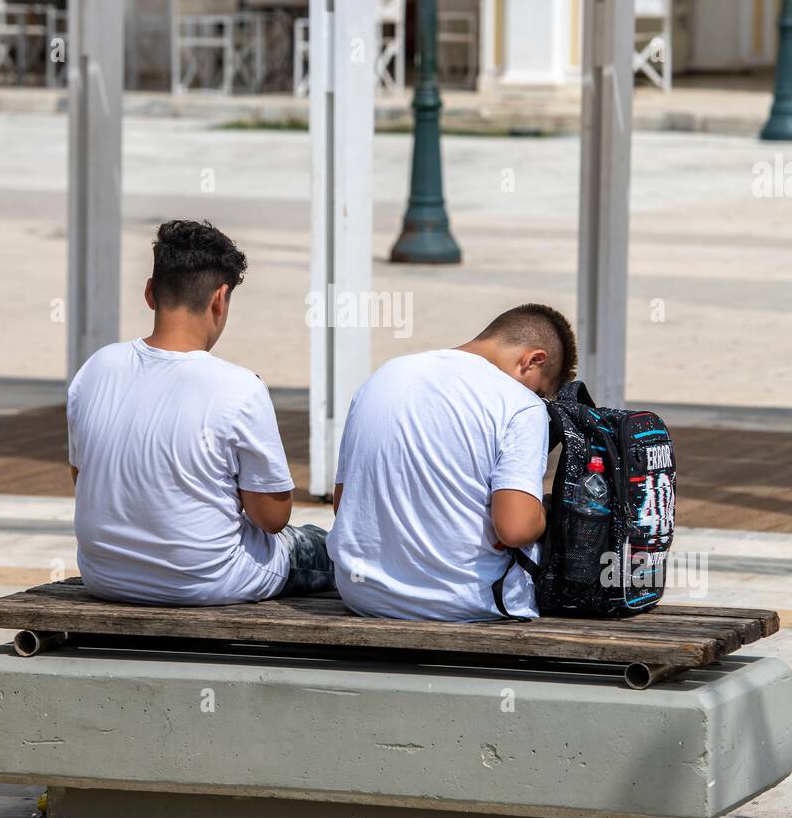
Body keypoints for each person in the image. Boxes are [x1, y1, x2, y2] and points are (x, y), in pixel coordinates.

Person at [67, 220, 333, 605]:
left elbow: (83, 479)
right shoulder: (239, 386)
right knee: (327, 547)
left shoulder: (96, 368)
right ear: (219, 299)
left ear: (149, 292)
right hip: (207, 580)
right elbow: (273, 519)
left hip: (104, 577)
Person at [327, 304, 577, 622]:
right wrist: (541, 511)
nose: (539, 400)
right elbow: (515, 530)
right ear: (533, 360)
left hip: (363, 595)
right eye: (541, 391)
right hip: (465, 603)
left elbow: (343, 503)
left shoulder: (385, 375)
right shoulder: (521, 405)